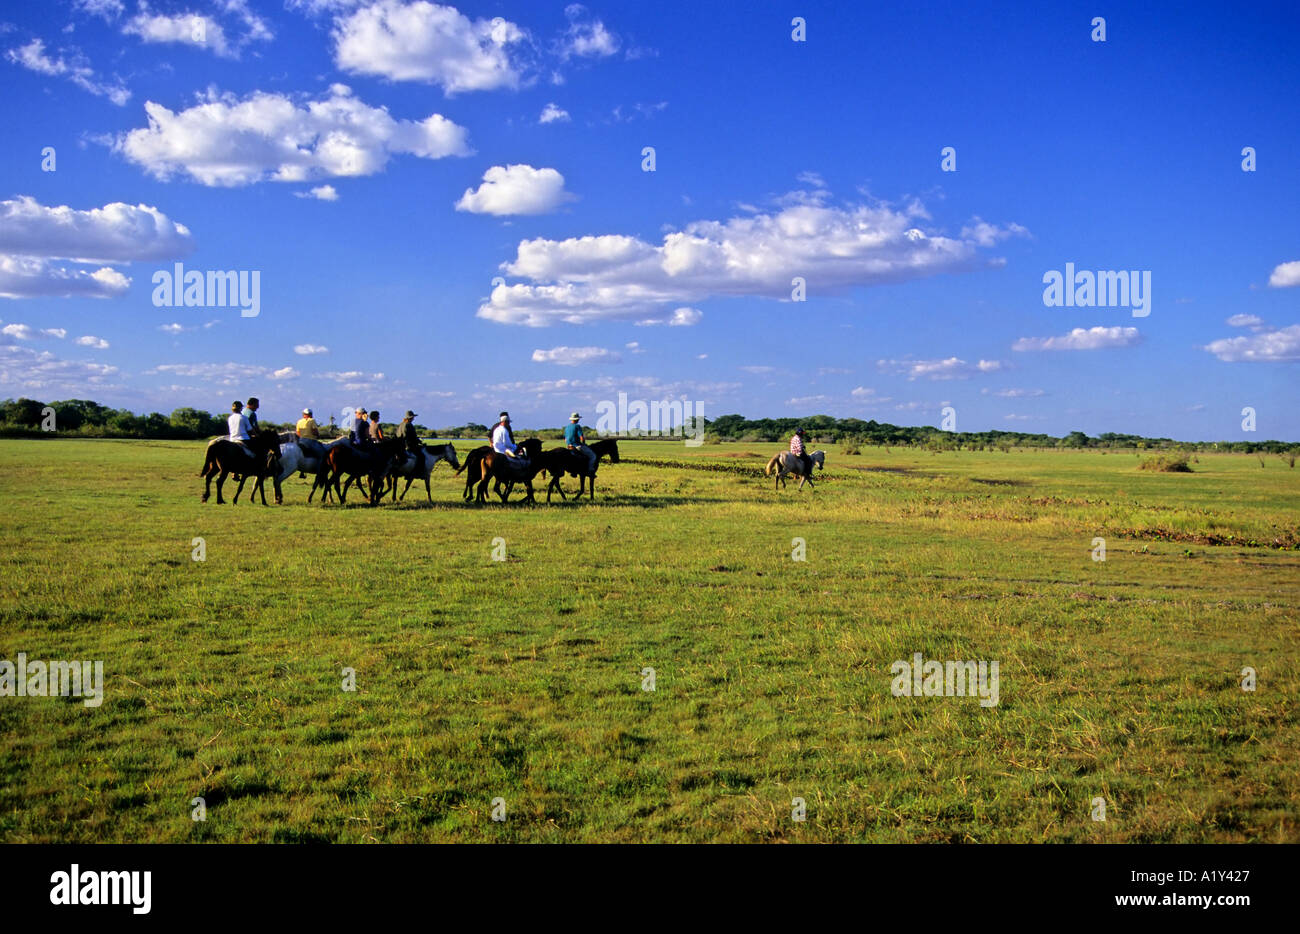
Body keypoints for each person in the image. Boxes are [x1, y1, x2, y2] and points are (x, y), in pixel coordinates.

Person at [563, 411, 597, 477]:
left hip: (569, 446)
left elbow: (565, 439)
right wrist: (583, 443)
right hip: (577, 446)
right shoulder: (577, 426)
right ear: (577, 419)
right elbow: (581, 437)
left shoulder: (567, 427)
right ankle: (590, 470)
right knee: (593, 456)